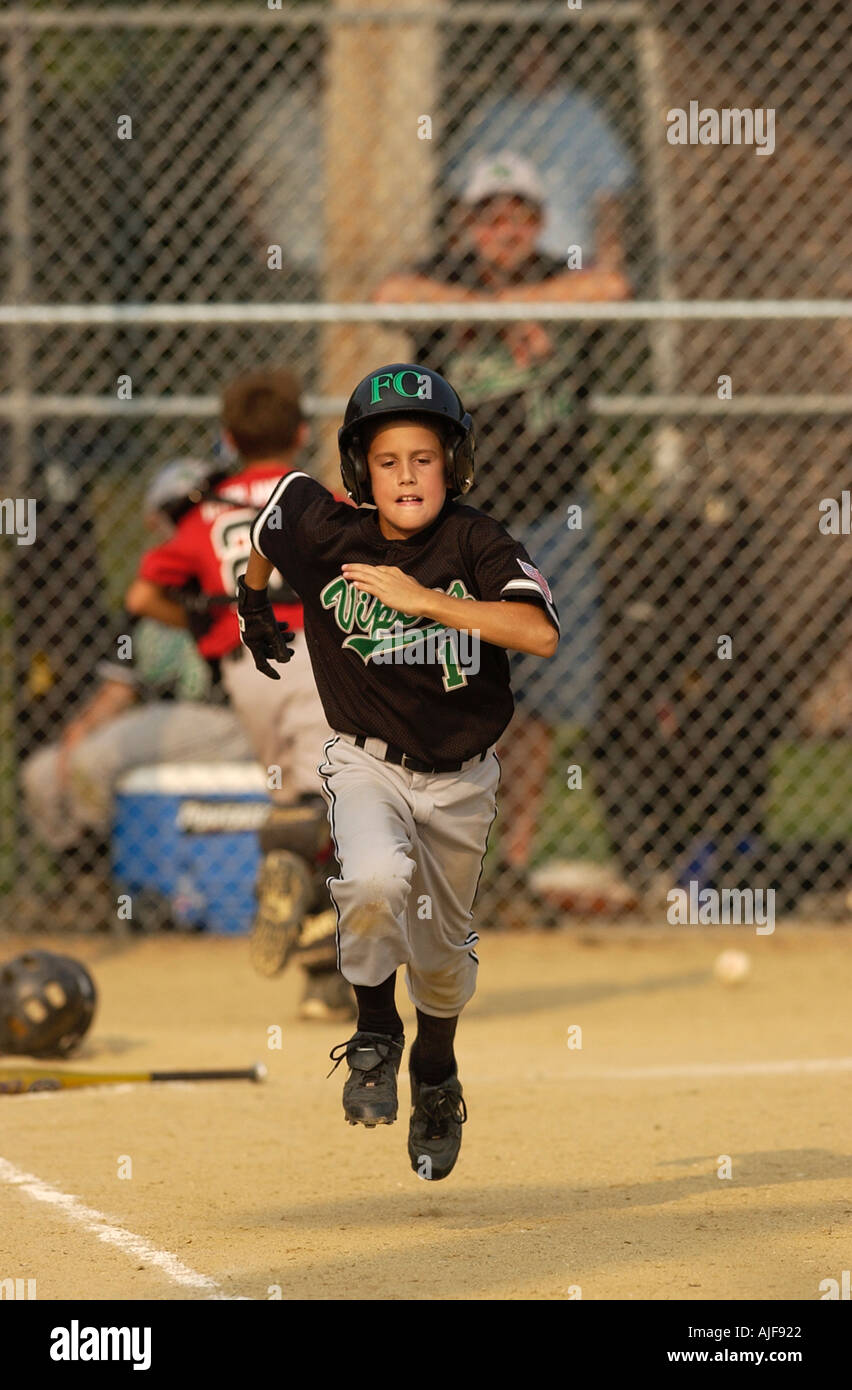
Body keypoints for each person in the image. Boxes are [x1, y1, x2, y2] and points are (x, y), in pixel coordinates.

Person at [236, 363, 559, 1180]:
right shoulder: (328, 527)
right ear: (359, 473)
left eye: (424, 457)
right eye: (388, 461)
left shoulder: (477, 541)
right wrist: (252, 603)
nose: (408, 475)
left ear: (455, 465)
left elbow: (538, 632)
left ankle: (437, 1073)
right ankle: (376, 1031)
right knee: (375, 879)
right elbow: (271, 520)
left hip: (460, 780)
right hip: (366, 762)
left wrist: (429, 601)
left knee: (443, 956)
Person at [372, 154, 631, 920]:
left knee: (539, 700)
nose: (505, 229)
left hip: (554, 519)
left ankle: (510, 861)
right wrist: (488, 309)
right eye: (490, 216)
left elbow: (611, 285)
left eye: (519, 215)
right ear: (466, 223)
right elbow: (390, 292)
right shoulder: (442, 274)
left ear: (541, 223)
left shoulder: (562, 271)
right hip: (454, 525)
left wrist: (520, 301)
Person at [124, 373, 353, 1022]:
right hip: (310, 658)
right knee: (328, 811)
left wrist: (203, 626)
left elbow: (142, 597)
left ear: (227, 439)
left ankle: (324, 985)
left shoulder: (205, 513)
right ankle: (284, 872)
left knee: (295, 807)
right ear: (304, 435)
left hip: (244, 669)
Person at [20, 460, 251, 913]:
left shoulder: (234, 578)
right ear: (154, 520)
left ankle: (122, 888)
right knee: (44, 772)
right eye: (178, 512)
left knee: (96, 759)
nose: (188, 521)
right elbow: (118, 687)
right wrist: (79, 731)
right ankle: (84, 886)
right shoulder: (150, 591)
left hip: (227, 719)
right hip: (162, 726)